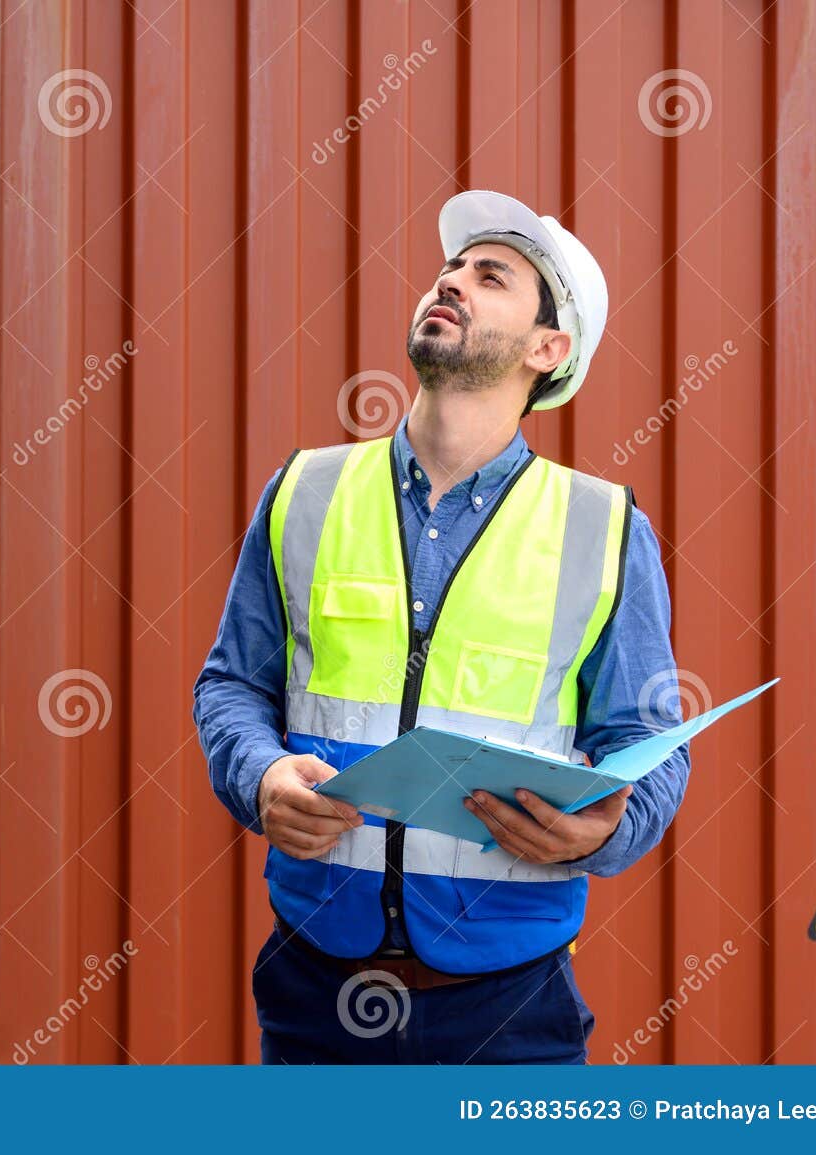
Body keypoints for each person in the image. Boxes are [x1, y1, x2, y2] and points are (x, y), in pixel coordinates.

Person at [192, 190, 690, 1064]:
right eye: (449, 270)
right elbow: (232, 684)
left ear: (548, 349)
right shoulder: (304, 492)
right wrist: (260, 774)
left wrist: (606, 829)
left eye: (489, 277)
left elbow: (649, 741)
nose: (452, 282)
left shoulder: (604, 527)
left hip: (510, 1004)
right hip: (316, 991)